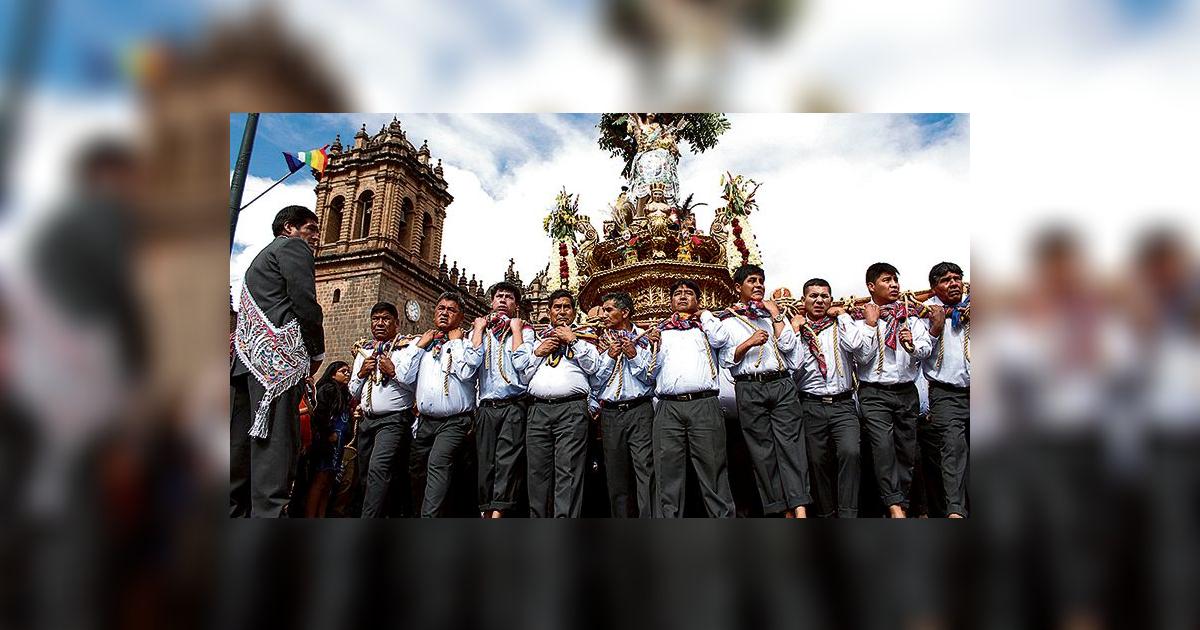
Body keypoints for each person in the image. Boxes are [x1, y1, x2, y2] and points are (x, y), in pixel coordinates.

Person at [231, 205, 324, 518]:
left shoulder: (259, 260)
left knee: (239, 452)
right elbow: (304, 301)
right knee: (275, 449)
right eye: (311, 228)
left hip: (245, 363)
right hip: (276, 366)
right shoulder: (292, 247)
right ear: (289, 227)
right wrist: (316, 351)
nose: (316, 236)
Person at [716, 265, 808, 518]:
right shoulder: (727, 320)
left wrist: (777, 316)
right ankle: (779, 510)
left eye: (761, 281)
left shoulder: (773, 315)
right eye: (752, 281)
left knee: (792, 447)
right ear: (738, 288)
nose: (758, 285)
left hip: (781, 383)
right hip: (749, 386)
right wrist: (749, 343)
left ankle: (799, 508)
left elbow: (792, 351)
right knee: (762, 451)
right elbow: (727, 359)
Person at [645, 279, 737, 517]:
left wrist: (704, 315)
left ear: (698, 300)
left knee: (713, 469)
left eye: (689, 293)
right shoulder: (661, 331)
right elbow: (648, 372)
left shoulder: (706, 327)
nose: (683, 296)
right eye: (677, 293)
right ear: (671, 301)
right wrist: (649, 345)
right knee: (668, 473)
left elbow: (721, 340)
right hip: (668, 407)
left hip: (703, 404)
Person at [849, 262, 932, 518]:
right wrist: (871, 326)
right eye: (887, 280)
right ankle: (894, 506)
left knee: (907, 451)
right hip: (874, 393)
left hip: (906, 391)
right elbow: (861, 359)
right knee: (883, 449)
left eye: (896, 280)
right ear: (871, 287)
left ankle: (902, 505)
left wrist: (911, 345)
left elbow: (926, 349)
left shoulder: (911, 316)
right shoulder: (857, 319)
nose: (894, 285)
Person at [513, 289, 601, 517]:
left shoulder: (586, 337)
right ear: (550, 312)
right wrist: (538, 353)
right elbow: (523, 376)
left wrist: (572, 341)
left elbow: (594, 368)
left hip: (571, 410)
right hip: (538, 410)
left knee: (569, 471)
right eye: (557, 307)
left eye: (566, 307)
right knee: (537, 473)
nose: (562, 311)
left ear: (574, 312)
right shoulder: (537, 340)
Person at [396, 292, 482, 517]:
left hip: (454, 423)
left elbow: (466, 371)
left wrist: (455, 343)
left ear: (461, 317)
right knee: (417, 471)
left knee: (438, 464)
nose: (444, 313)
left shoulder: (467, 345)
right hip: (424, 423)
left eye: (451, 310)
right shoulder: (421, 344)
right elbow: (404, 376)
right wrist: (418, 346)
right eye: (440, 308)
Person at [789, 278, 868, 518]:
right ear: (804, 301)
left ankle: (848, 513)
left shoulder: (840, 325)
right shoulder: (797, 329)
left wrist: (843, 315)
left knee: (850, 453)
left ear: (831, 300)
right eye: (813, 296)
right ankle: (826, 513)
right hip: (810, 403)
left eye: (824, 296)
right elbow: (791, 364)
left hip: (842, 403)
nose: (819, 300)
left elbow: (858, 346)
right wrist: (794, 330)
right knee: (816, 461)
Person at [467, 282, 536, 518]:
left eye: (509, 297)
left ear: (516, 305)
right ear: (492, 302)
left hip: (513, 404)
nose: (503, 300)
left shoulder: (525, 331)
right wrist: (477, 329)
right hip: (486, 406)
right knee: (486, 462)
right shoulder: (480, 331)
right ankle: (485, 512)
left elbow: (522, 364)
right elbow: (470, 365)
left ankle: (498, 515)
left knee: (507, 462)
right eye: (499, 296)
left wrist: (515, 330)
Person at [349, 302, 420, 518]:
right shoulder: (363, 352)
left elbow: (414, 385)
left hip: (393, 421)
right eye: (376, 319)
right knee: (365, 475)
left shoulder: (407, 349)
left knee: (378, 470)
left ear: (397, 324)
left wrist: (394, 371)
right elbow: (352, 391)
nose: (380, 323)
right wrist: (361, 373)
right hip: (366, 422)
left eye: (386, 319)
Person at [592, 291, 655, 517]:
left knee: (645, 470)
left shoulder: (647, 339)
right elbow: (596, 382)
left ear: (625, 312)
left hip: (640, 409)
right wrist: (609, 357)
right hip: (611, 414)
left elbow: (651, 377)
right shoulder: (598, 342)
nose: (603, 315)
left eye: (609, 310)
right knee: (616, 474)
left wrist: (633, 355)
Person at [921, 262, 970, 518]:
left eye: (957, 278)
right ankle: (955, 512)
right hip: (946, 394)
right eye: (946, 280)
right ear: (934, 288)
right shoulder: (924, 315)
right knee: (952, 449)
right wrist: (935, 328)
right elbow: (919, 353)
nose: (953, 283)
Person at [306, 361, 352, 517]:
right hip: (326, 442)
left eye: (348, 371)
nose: (347, 374)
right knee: (320, 480)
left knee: (329, 481)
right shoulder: (328, 389)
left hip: (338, 441)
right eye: (343, 371)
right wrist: (328, 434)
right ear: (333, 373)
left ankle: (321, 514)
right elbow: (320, 415)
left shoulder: (343, 392)